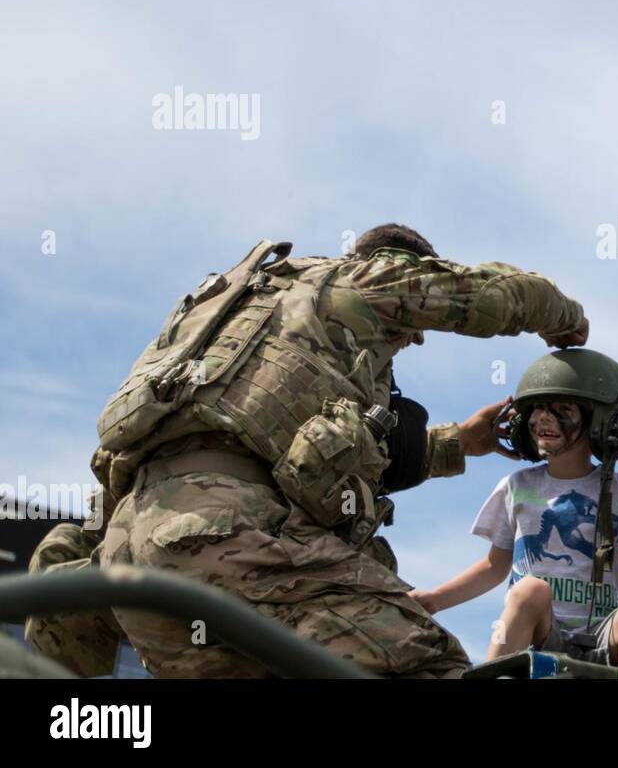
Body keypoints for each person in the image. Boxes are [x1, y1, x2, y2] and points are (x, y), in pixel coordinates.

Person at [29, 223, 588, 678]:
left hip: (135, 562)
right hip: (230, 542)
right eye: (410, 331)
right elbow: (498, 295)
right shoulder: (365, 282)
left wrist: (459, 443)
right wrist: (567, 323)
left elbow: (257, 438)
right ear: (396, 264)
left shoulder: (225, 318)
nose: (413, 340)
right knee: (429, 664)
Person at [412, 349, 618, 676]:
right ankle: (496, 674)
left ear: (600, 422)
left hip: (605, 636)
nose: (545, 419)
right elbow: (495, 567)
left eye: (563, 409)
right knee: (530, 590)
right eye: (538, 410)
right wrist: (435, 599)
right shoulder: (517, 485)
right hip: (542, 632)